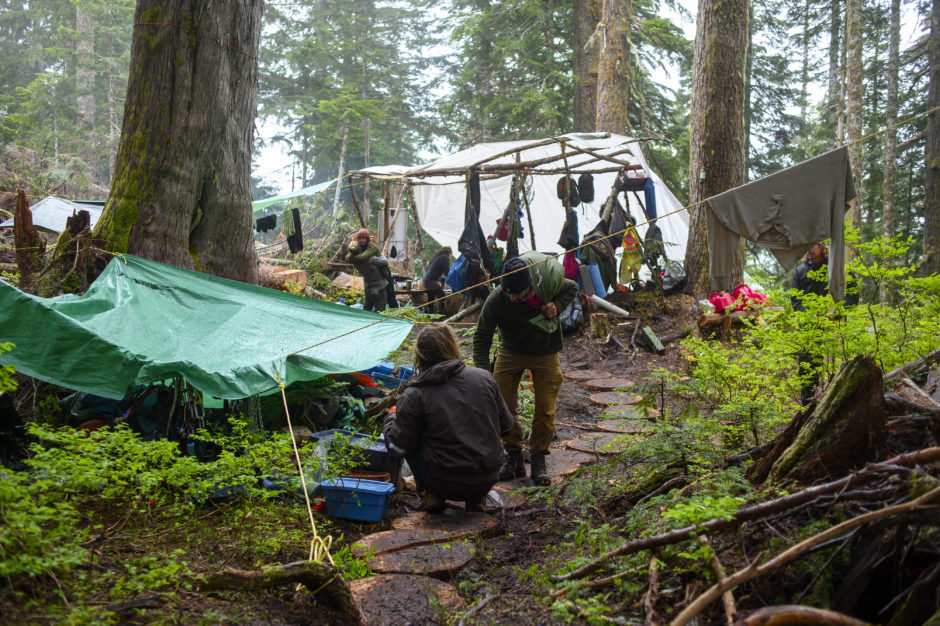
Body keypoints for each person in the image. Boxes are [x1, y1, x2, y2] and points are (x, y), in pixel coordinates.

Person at [472, 252, 579, 486]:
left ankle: (539, 459)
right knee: (503, 406)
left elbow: (572, 287)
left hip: (546, 352)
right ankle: (513, 458)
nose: (511, 298)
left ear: (528, 287)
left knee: (545, 409)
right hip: (510, 352)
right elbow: (481, 336)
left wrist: (557, 306)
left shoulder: (544, 288)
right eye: (507, 292)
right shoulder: (496, 299)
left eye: (516, 293)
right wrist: (483, 373)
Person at [383, 323, 513, 513]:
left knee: (407, 433)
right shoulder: (484, 378)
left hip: (441, 481)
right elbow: (507, 426)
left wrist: (391, 418)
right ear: (453, 346)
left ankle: (433, 496)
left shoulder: (416, 393)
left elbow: (397, 446)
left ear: (421, 355)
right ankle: (476, 498)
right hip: (486, 478)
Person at [791, 243, 829, 405]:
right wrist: (807, 316)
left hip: (827, 323)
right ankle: (807, 403)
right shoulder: (800, 270)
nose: (810, 249)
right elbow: (795, 299)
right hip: (806, 324)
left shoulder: (831, 269)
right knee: (806, 363)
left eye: (813, 245)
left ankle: (824, 398)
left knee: (823, 362)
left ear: (822, 247)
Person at [347, 228, 388, 312]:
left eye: (363, 238)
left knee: (378, 312)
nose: (361, 240)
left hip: (379, 286)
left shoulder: (371, 248)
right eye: (359, 238)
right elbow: (349, 258)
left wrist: (361, 259)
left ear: (367, 239)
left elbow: (362, 257)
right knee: (368, 311)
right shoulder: (358, 253)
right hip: (369, 288)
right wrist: (358, 258)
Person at [422, 247, 452, 314]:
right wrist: (453, 281)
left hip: (426, 281)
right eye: (451, 255)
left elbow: (435, 272)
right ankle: (440, 314)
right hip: (431, 282)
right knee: (442, 297)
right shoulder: (445, 258)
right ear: (449, 253)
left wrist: (442, 279)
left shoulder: (438, 257)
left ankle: (430, 316)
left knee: (431, 299)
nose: (451, 257)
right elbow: (447, 273)